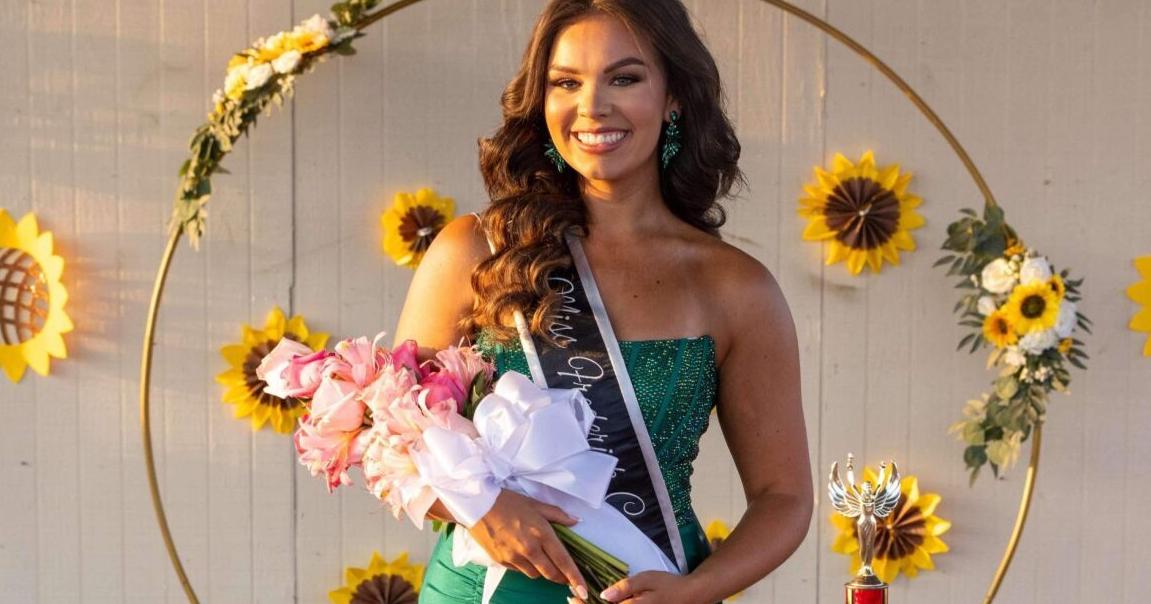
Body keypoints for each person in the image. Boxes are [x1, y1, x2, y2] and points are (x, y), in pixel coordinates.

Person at [393, 1, 812, 602]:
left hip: (654, 583)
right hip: (481, 590)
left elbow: (784, 497)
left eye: (625, 78)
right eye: (567, 82)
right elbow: (392, 436)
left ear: (674, 96)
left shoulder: (735, 287)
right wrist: (480, 505)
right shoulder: (476, 251)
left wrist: (696, 591)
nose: (592, 107)